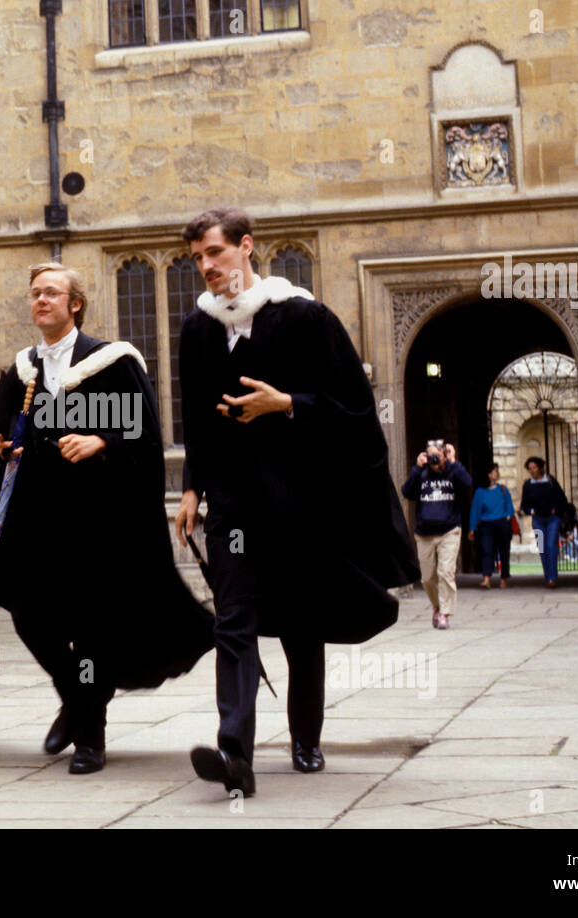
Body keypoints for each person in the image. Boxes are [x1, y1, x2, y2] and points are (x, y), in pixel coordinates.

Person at [175, 208, 419, 797]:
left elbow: (359, 416)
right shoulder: (199, 331)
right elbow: (198, 424)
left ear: (247, 248)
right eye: (197, 258)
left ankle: (305, 739)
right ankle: (235, 754)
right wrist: (190, 486)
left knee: (300, 628)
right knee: (232, 620)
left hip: (301, 505)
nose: (206, 267)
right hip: (233, 508)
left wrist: (286, 404)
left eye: (214, 252)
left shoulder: (306, 318)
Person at [0, 262, 214, 776]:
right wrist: (4, 444)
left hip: (96, 520)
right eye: (35, 294)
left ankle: (91, 736)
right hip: (38, 518)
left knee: (90, 628)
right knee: (29, 614)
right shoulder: (23, 368)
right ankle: (77, 697)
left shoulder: (111, 362)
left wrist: (100, 440)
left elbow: (145, 434)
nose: (41, 300)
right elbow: (6, 434)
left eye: (52, 293)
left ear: (75, 305)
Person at [402, 440, 473, 629]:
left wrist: (453, 462)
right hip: (424, 533)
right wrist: (417, 468)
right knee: (427, 577)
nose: (434, 460)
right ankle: (437, 605)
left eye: (437, 456)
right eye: (430, 455)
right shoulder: (422, 474)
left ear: (444, 455)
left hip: (449, 531)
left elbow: (467, 483)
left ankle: (444, 613)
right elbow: (406, 492)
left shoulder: (453, 472)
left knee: (446, 572)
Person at [520, 455, 569, 589]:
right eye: (529, 468)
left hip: (552, 519)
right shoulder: (528, 485)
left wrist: (555, 510)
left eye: (534, 467)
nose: (532, 470)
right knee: (542, 548)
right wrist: (531, 511)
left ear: (540, 467)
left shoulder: (551, 482)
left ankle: (552, 577)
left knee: (551, 546)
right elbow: (524, 505)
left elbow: (562, 499)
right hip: (538, 520)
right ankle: (548, 576)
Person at [468, 462, 515, 589]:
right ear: (489, 475)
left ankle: (504, 578)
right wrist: (472, 528)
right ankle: (486, 578)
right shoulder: (480, 492)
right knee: (486, 551)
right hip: (486, 526)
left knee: (504, 552)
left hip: (502, 524)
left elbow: (510, 507)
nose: (497, 473)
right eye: (495, 471)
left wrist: (507, 516)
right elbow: (475, 511)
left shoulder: (503, 489)